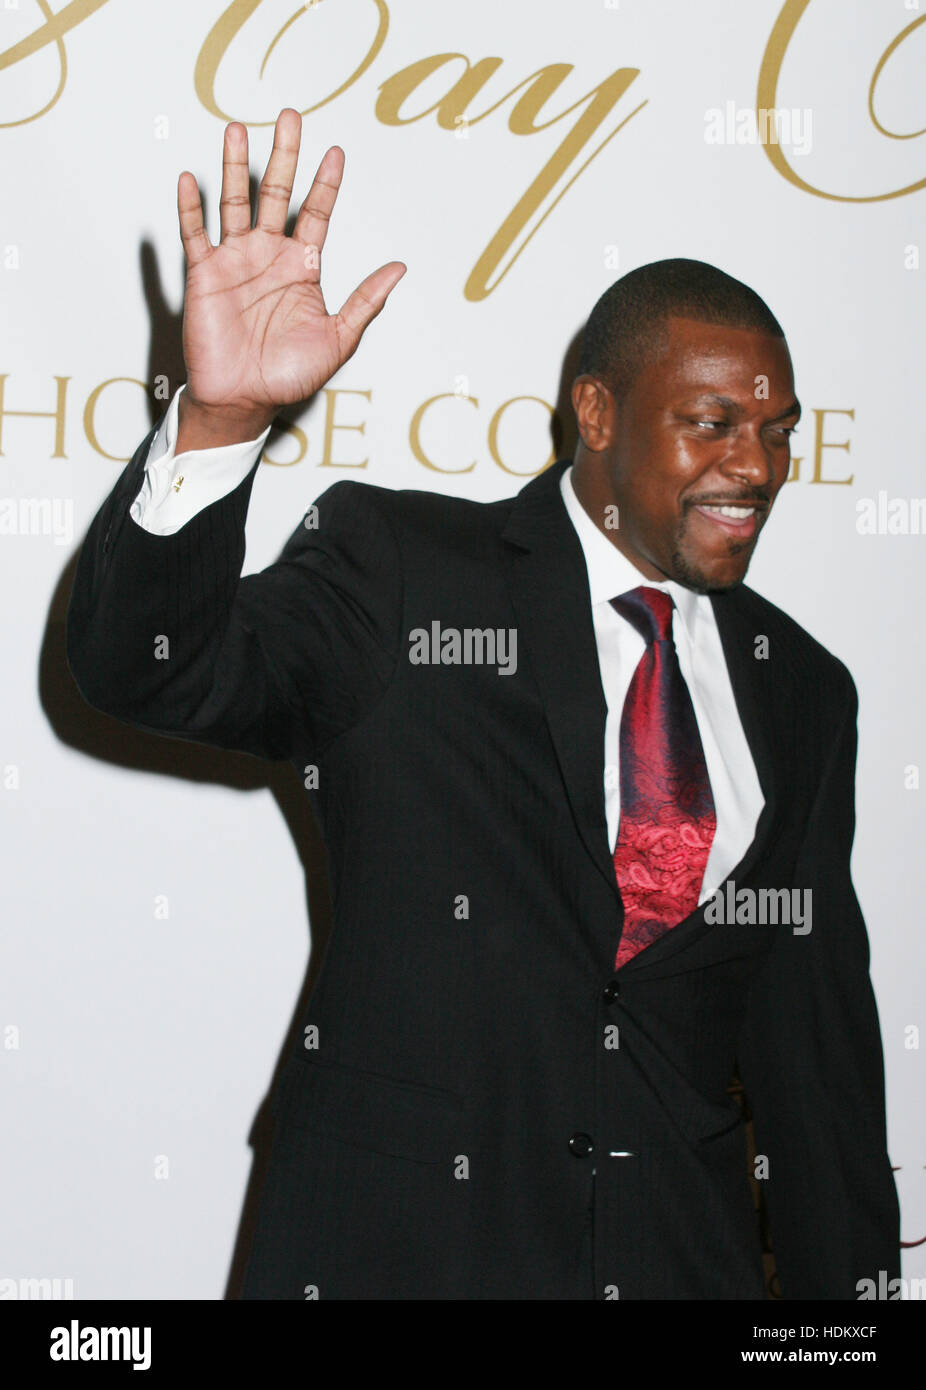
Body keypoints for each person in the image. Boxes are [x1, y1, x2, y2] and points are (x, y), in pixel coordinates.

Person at [66, 108, 900, 1300]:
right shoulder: (405, 569)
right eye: (711, 424)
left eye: (775, 434)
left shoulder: (804, 689)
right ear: (597, 414)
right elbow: (146, 664)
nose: (756, 466)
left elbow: (814, 1060)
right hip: (402, 1254)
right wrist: (221, 424)